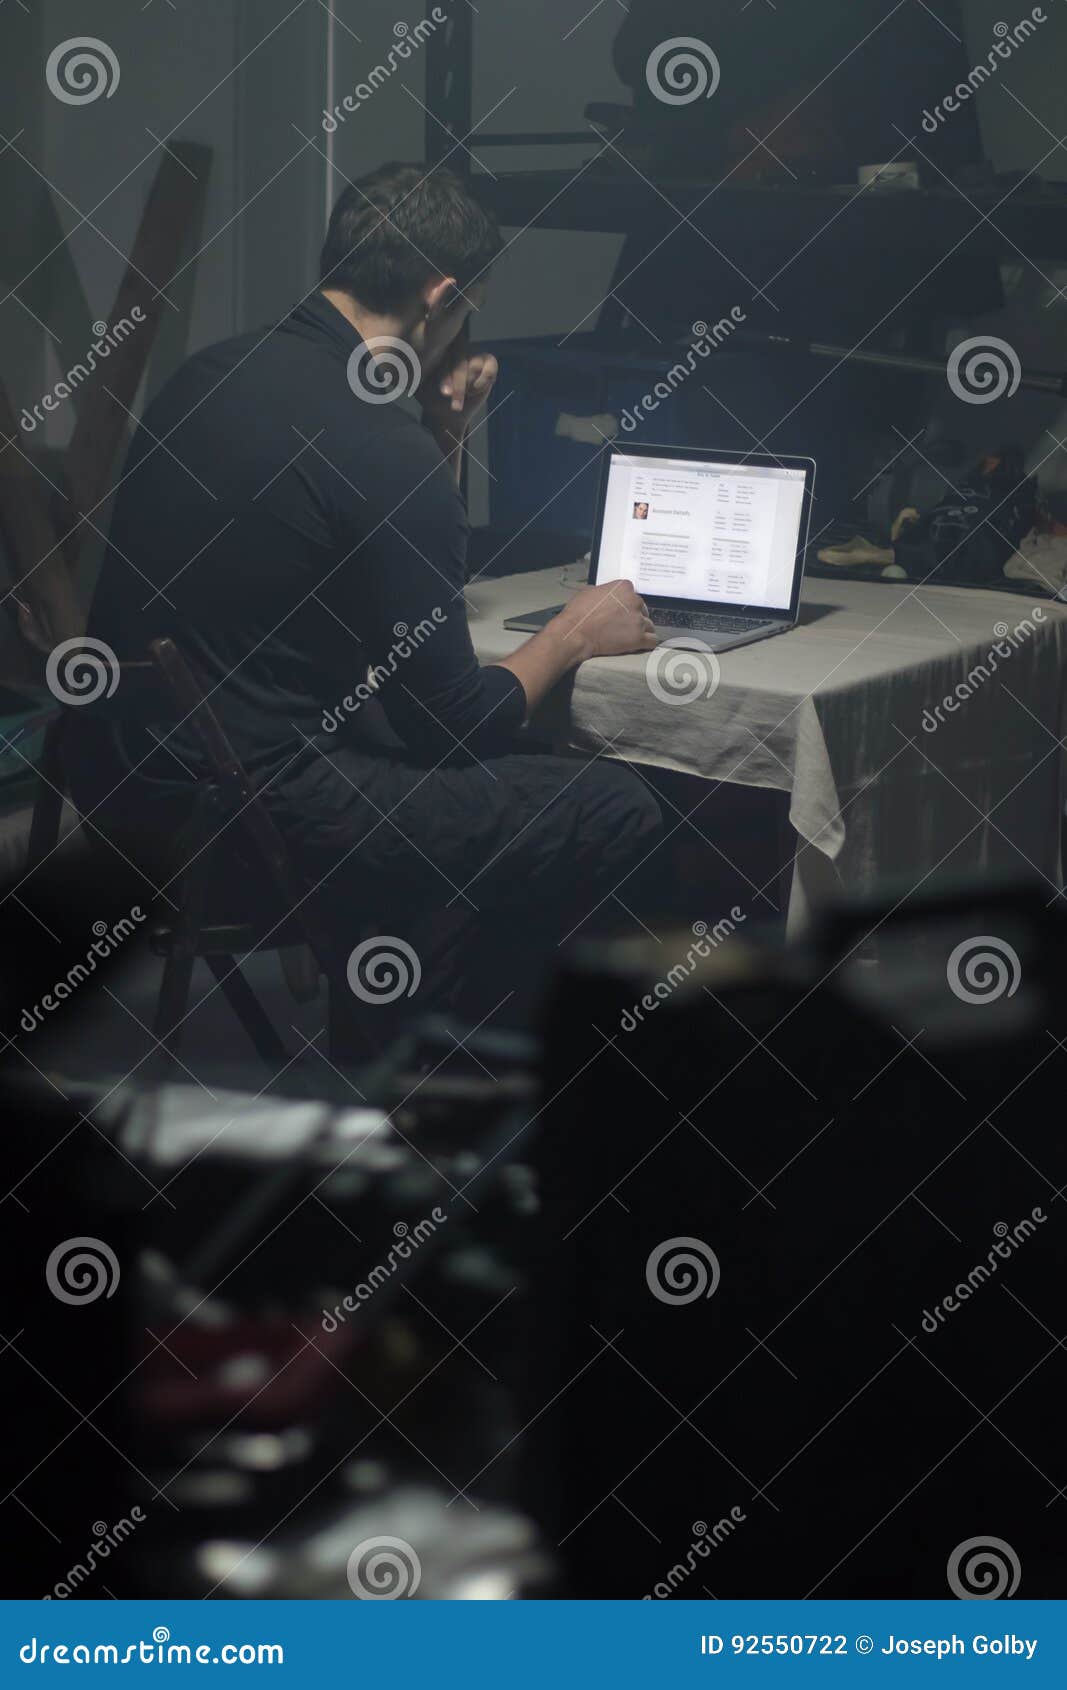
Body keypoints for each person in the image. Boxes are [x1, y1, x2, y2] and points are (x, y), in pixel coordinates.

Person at [65, 163, 663, 1051]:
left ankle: (389, 1016)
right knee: (611, 804)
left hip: (122, 788)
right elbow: (453, 725)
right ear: (442, 296)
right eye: (466, 311)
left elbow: (379, 578)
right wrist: (573, 632)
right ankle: (444, 1058)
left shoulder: (208, 375)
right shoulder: (378, 444)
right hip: (249, 826)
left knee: (435, 758)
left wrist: (439, 432)